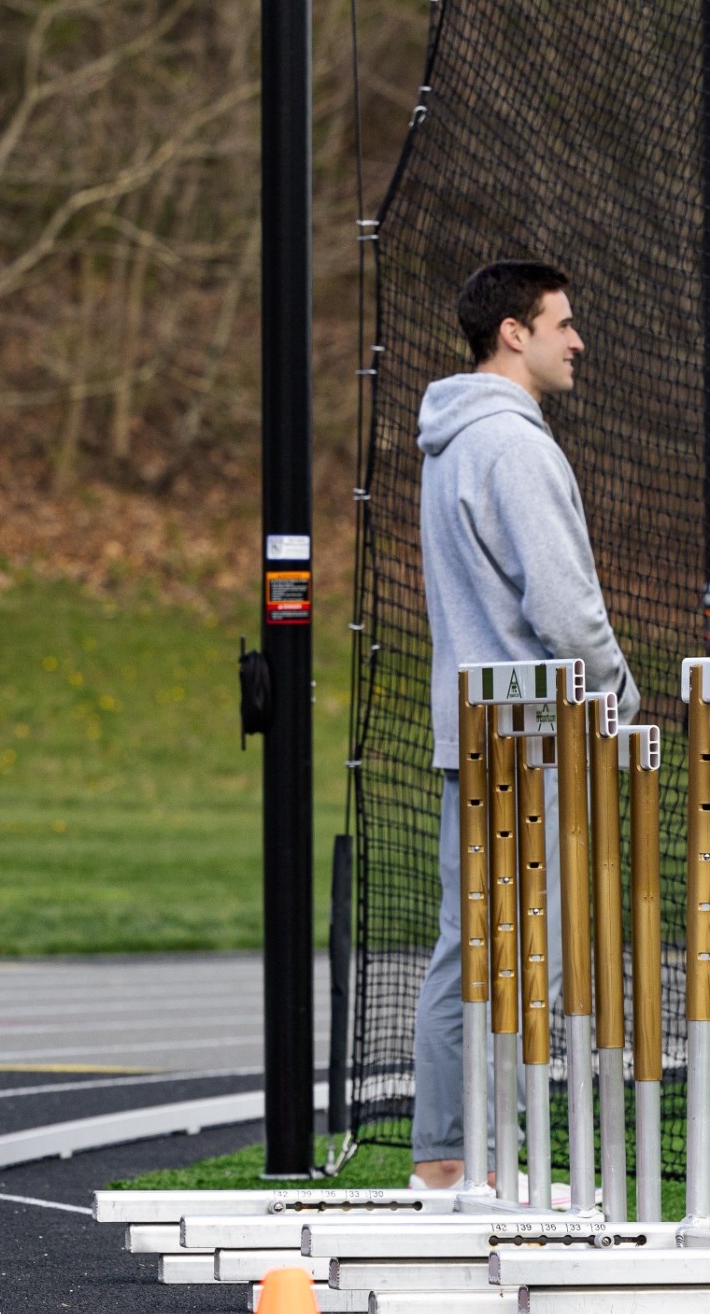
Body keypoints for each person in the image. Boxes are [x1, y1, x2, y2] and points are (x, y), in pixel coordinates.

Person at [410, 260, 639, 1189]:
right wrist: (621, 701)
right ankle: (480, 1168)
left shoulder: (454, 440)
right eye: (563, 323)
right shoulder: (513, 444)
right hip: (526, 734)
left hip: (472, 729)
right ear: (515, 331)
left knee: (467, 948)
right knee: (513, 957)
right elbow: (565, 606)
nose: (576, 340)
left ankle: (447, 1163)